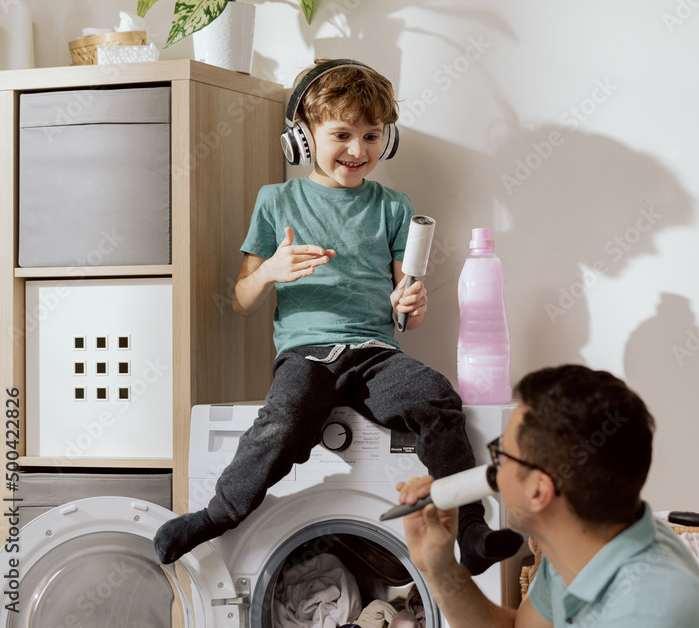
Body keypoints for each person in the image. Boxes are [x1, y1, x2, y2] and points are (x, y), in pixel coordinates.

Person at [153, 59, 522, 575]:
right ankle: (218, 515)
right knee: (284, 419)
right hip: (308, 355)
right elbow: (241, 299)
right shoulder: (276, 200)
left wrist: (411, 306)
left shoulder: (394, 207)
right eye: (342, 135)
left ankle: (471, 528)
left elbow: (405, 312)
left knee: (436, 396)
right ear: (302, 137)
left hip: (374, 354)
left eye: (371, 136)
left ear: (387, 139)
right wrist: (270, 271)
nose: (358, 150)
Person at [397, 365, 699, 627]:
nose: (493, 472)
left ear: (538, 492)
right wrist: (439, 568)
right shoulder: (582, 550)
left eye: (501, 455)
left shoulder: (647, 614)